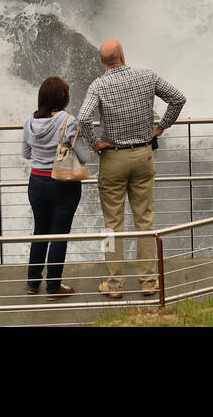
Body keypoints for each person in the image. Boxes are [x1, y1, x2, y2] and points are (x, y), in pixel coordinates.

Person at [77, 40, 186, 299]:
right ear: (123, 55)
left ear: (103, 62)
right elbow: (178, 98)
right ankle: (148, 282)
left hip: (113, 158)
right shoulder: (147, 76)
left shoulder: (99, 85)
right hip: (142, 155)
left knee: (112, 224)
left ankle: (115, 286)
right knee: (144, 221)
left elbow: (82, 119)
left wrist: (95, 144)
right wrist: (161, 127)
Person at [22, 76, 93, 296]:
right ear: (62, 97)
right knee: (59, 235)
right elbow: (84, 155)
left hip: (36, 183)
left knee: (40, 232)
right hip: (62, 184)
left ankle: (33, 283)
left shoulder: (29, 121)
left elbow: (26, 154)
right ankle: (53, 287)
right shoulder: (67, 121)